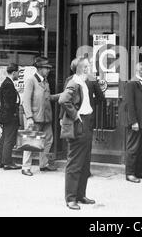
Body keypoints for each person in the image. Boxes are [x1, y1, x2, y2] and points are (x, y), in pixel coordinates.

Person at [60, 56, 96, 210]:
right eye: (88, 66)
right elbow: (63, 100)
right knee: (75, 162)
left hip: (86, 124)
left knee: (85, 161)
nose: (90, 68)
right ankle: (70, 198)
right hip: (79, 124)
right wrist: (75, 115)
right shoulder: (74, 83)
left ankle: (80, 195)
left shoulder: (82, 82)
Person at [21, 56, 60, 176]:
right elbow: (26, 101)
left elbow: (47, 98)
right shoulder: (31, 81)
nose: (48, 70)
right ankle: (25, 167)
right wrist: (29, 117)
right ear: (39, 69)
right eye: (46, 68)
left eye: (48, 68)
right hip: (35, 118)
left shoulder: (45, 81)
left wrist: (60, 95)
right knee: (30, 142)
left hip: (46, 117)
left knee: (48, 140)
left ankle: (43, 164)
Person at [0, 63, 21, 170]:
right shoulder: (8, 84)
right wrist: (14, 110)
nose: (19, 75)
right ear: (14, 72)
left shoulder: (7, 83)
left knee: (5, 138)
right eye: (18, 72)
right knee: (9, 139)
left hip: (6, 115)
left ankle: (2, 161)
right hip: (10, 116)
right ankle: (7, 162)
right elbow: (8, 103)